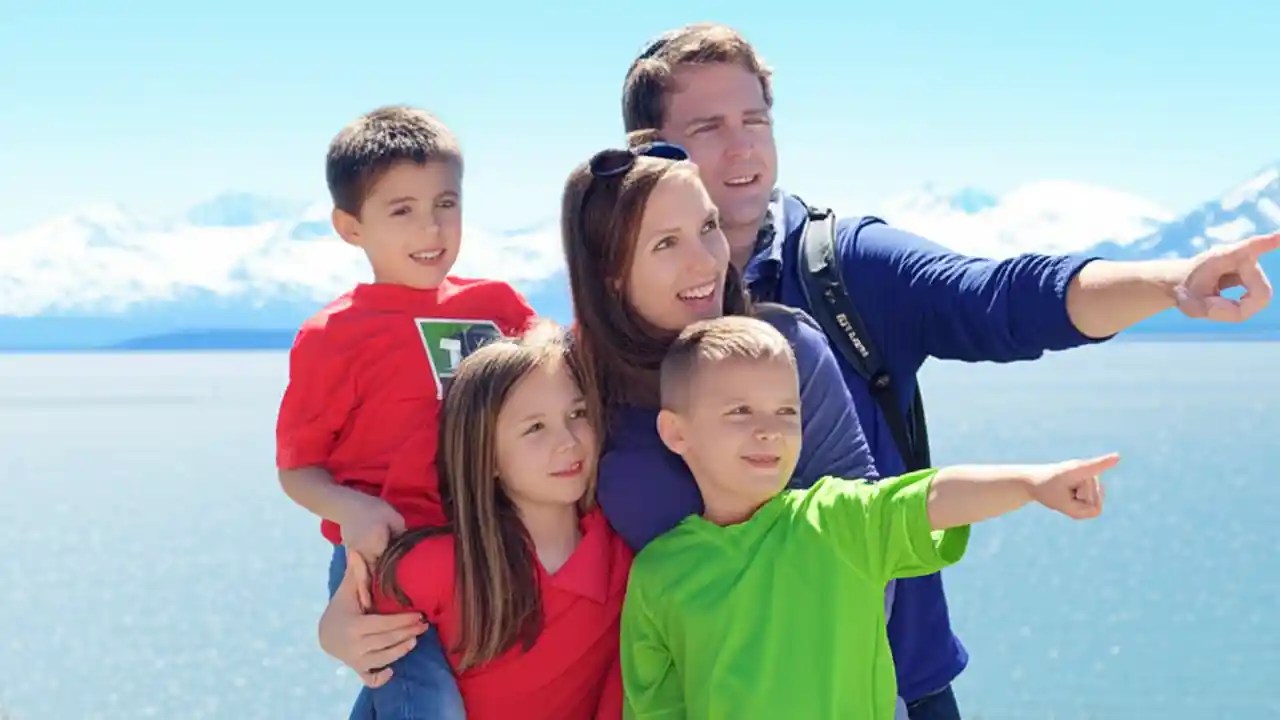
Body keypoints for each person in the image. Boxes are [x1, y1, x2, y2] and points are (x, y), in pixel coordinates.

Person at [618, 22, 1280, 718]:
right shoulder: (615, 320)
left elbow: (1000, 299)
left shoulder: (841, 267)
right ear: (653, 154)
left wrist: (1172, 281)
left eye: (756, 119)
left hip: (896, 691)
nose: (744, 145)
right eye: (709, 126)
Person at [315, 137, 884, 702]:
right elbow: (461, 494)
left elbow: (866, 537)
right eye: (666, 242)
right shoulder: (572, 381)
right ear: (610, 271)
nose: (706, 261)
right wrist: (345, 614)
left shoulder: (783, 351)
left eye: (708, 228)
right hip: (662, 692)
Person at [621, 314, 1120, 719]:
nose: (769, 431)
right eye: (740, 413)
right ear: (676, 433)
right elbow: (657, 710)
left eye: (786, 413)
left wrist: (1033, 484)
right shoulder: (659, 573)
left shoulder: (837, 520)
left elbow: (930, 496)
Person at [275, 104, 535, 718]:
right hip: (385, 558)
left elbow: (562, 373)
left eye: (446, 204)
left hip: (482, 549)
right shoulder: (333, 336)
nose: (431, 229)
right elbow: (298, 470)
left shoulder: (497, 308)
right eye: (402, 211)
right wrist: (354, 511)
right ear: (350, 226)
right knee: (426, 704)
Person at [364, 322, 630, 719]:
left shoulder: (624, 552)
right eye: (535, 427)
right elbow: (382, 677)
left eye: (577, 413)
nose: (569, 441)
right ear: (485, 456)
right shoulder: (435, 566)